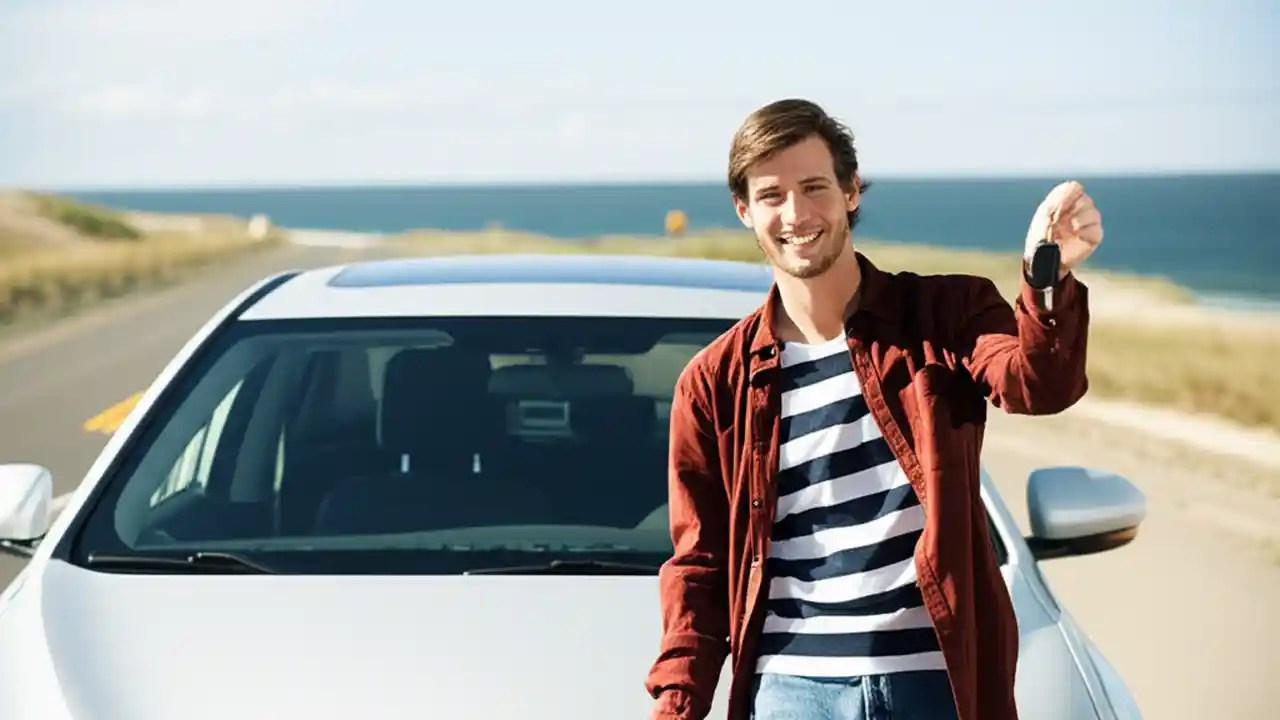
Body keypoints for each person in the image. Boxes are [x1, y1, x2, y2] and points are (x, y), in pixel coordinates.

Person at [644, 98, 1102, 720]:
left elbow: (1037, 384)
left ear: (851, 190)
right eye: (772, 195)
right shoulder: (714, 384)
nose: (797, 214)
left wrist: (1045, 278)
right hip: (793, 695)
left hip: (934, 685)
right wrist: (678, 704)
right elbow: (698, 565)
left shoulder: (944, 315)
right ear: (744, 210)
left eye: (814, 187)